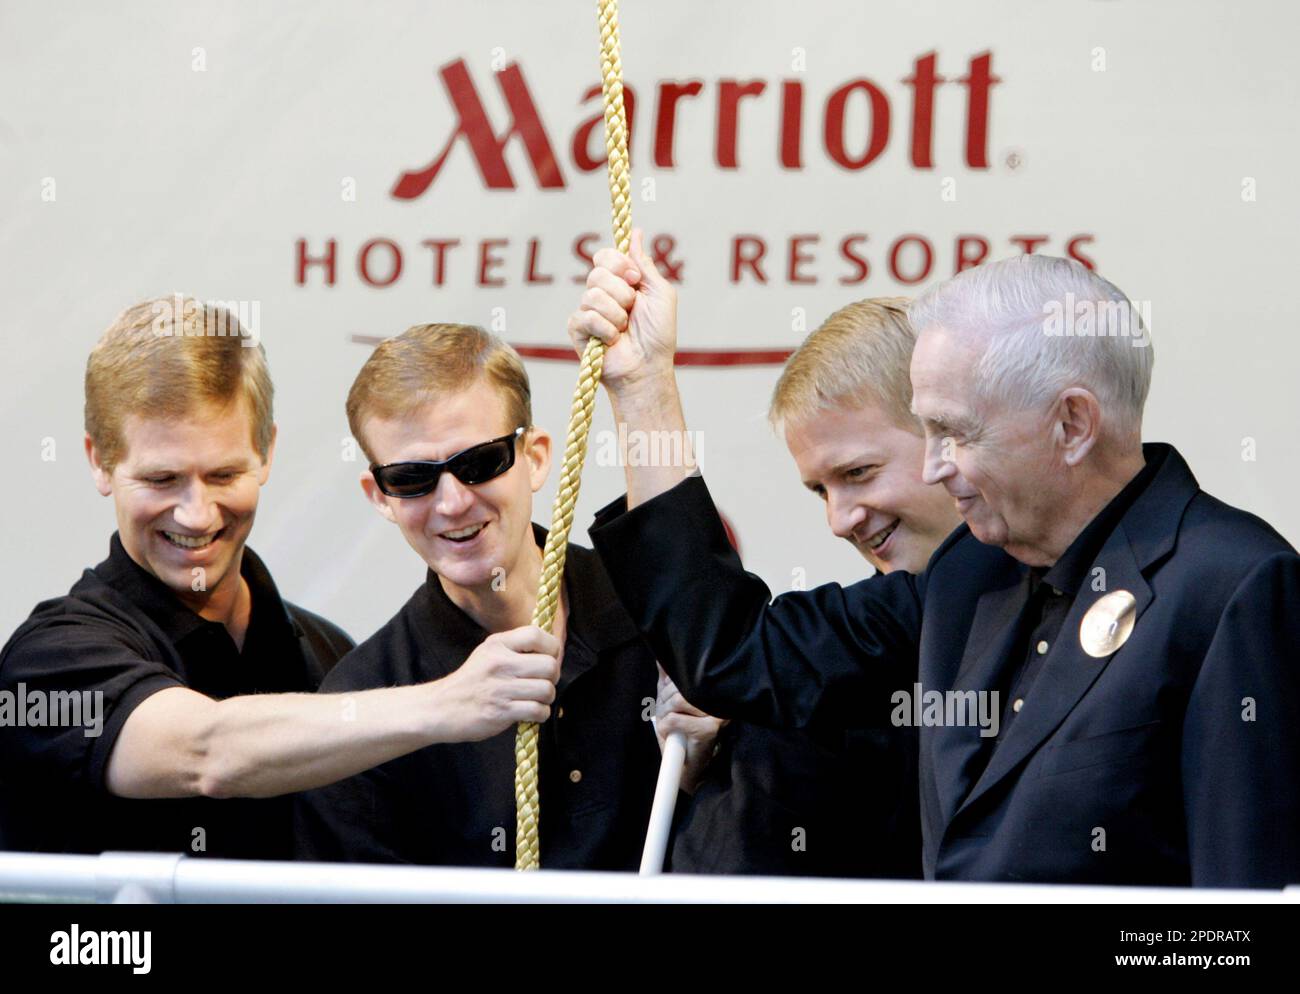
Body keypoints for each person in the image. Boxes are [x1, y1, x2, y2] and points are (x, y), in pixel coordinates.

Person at [569, 235, 1300, 887]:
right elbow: (733, 652)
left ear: (1072, 424)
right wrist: (640, 389)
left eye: (952, 432)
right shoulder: (963, 580)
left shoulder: (1231, 584)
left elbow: (1241, 917)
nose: (937, 465)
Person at [0, 297, 559, 860]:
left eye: (223, 474)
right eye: (162, 479)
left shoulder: (330, 657)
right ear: (99, 462)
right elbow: (206, 753)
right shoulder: (48, 663)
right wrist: (447, 704)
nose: (196, 513)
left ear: (267, 452)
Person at [295, 323, 661, 869]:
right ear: (380, 497)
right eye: (412, 478)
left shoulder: (659, 616)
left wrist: (709, 755)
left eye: (479, 463)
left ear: (535, 458)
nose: (451, 503)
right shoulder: (364, 700)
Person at [657, 299, 960, 877]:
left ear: (949, 433)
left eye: (858, 474)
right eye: (821, 490)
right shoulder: (844, 643)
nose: (840, 519)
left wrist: (642, 384)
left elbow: (726, 652)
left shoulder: (1033, 604)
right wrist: (710, 764)